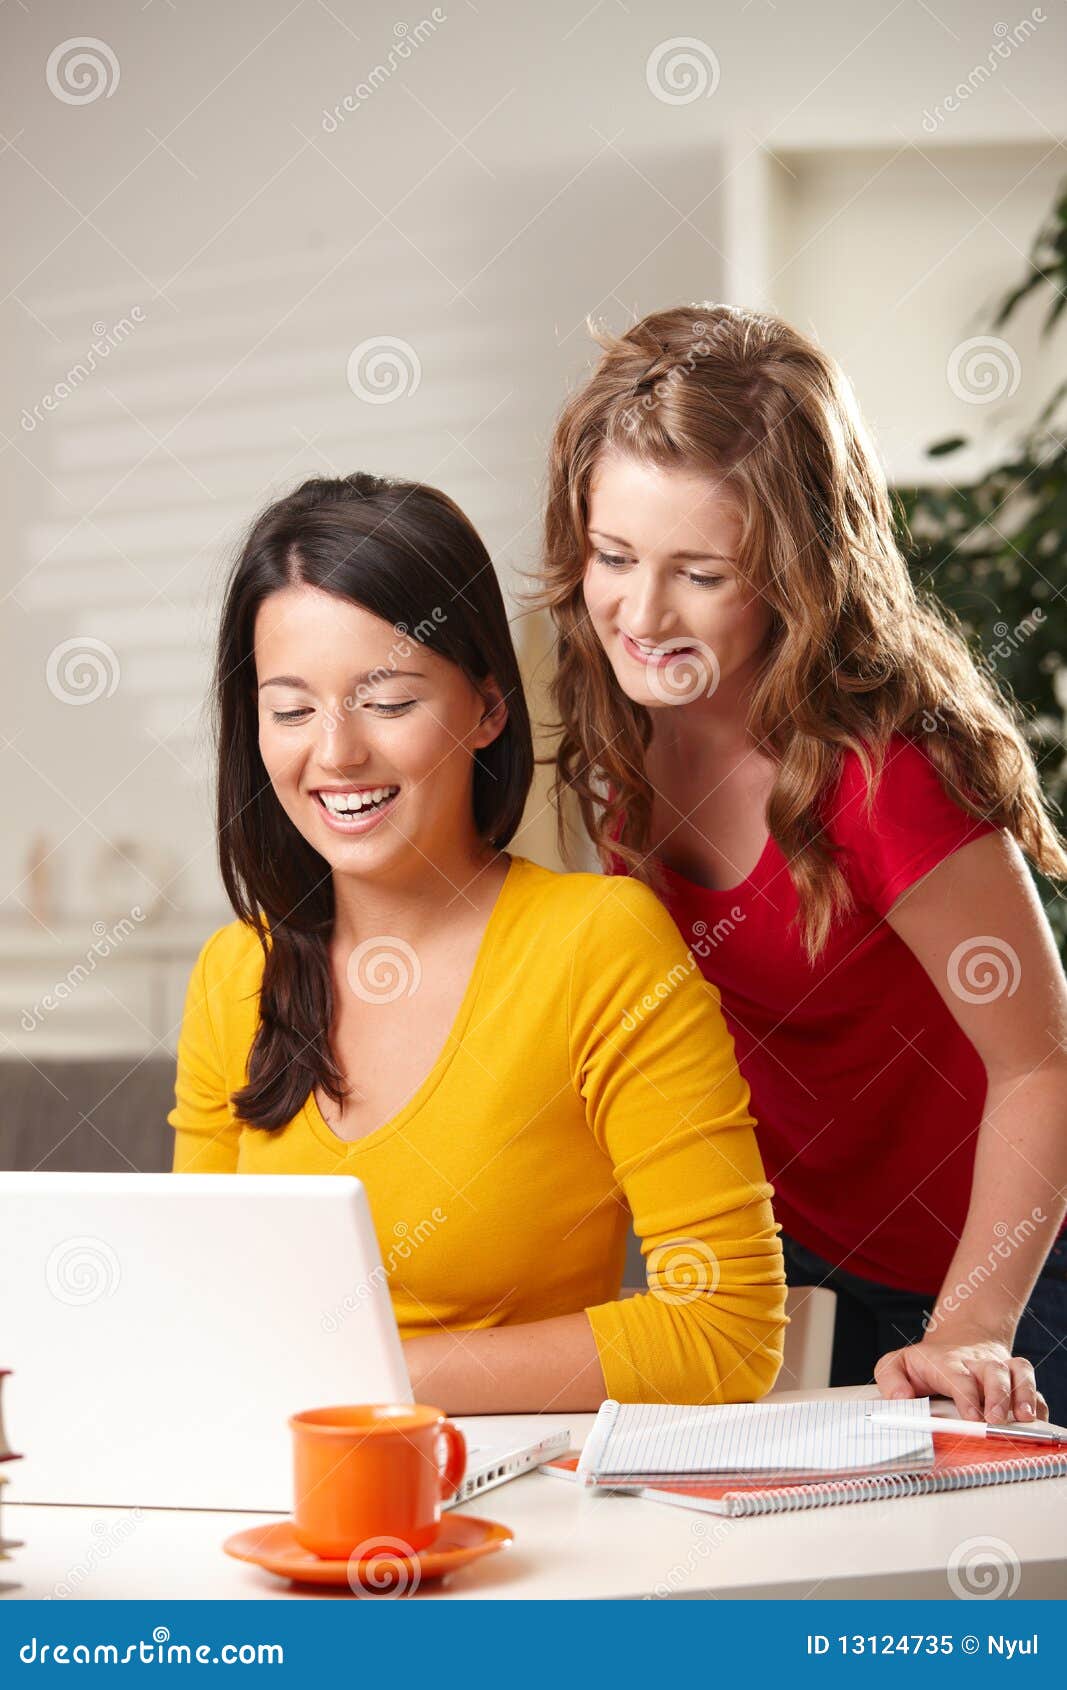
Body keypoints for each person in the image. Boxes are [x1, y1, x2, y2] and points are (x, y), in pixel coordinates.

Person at [534, 302, 1067, 1424]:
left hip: (1016, 1273)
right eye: (612, 555)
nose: (638, 610)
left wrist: (968, 1324)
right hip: (809, 1265)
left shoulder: (886, 776)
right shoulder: (624, 732)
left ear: (794, 571)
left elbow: (1043, 1066)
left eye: (700, 574)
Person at [168, 470, 787, 1413]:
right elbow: (195, 1315)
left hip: (528, 1511)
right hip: (280, 1494)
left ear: (487, 708)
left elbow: (725, 1330)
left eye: (387, 700)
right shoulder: (233, 976)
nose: (334, 754)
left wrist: (371, 1383)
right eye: (291, 709)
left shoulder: (595, 945)